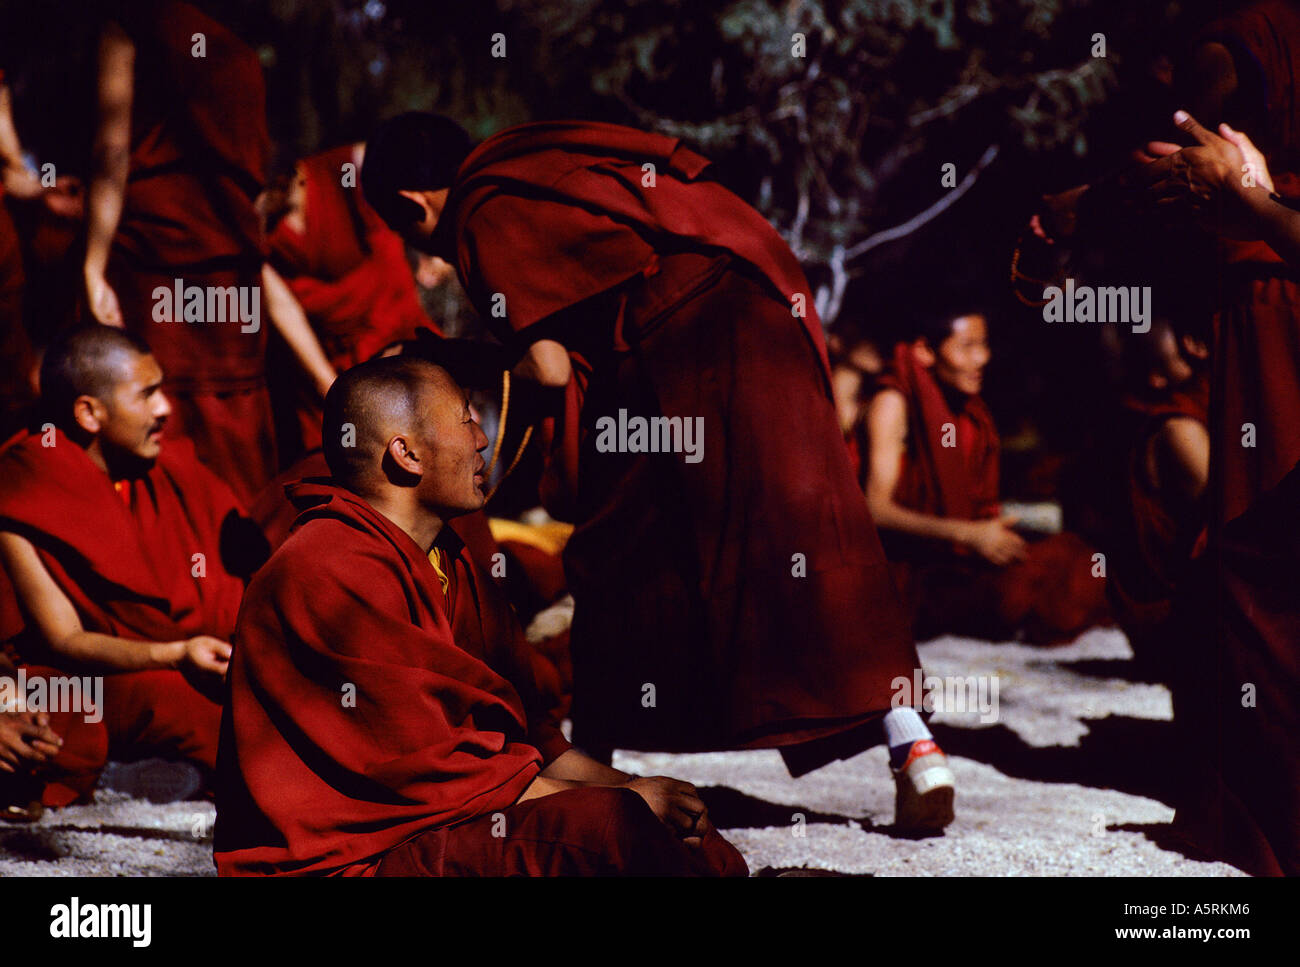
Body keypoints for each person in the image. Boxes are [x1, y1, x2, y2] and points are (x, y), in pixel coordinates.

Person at [359, 114, 953, 832]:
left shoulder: (483, 211)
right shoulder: (532, 162)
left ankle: (591, 758)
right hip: (764, 311)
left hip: (682, 341)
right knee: (814, 532)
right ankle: (916, 747)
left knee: (614, 548)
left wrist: (453, 362)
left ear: (411, 205)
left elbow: (546, 368)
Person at [214, 356, 747, 876]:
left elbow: (530, 735)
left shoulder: (451, 557)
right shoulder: (323, 567)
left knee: (677, 829)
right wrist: (624, 799)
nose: (482, 439)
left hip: (440, 826)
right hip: (354, 858)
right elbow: (428, 770)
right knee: (610, 828)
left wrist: (634, 784)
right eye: (467, 419)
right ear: (407, 454)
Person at [0, 326, 264, 808]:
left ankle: (140, 771)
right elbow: (64, 640)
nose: (165, 409)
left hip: (182, 661)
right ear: (88, 413)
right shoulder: (27, 485)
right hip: (86, 674)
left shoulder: (168, 471)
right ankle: (114, 774)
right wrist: (177, 654)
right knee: (176, 710)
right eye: (146, 395)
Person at [82, 0, 335, 504]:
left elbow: (112, 151)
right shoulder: (241, 53)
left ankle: (159, 559)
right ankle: (236, 558)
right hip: (233, 264)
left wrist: (91, 262)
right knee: (233, 417)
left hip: (155, 253)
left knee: (149, 402)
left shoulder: (132, 20)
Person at [863, 310, 1110, 645]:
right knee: (1036, 580)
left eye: (984, 345)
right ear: (925, 351)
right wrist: (968, 534)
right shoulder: (892, 401)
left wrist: (985, 535)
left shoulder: (963, 403)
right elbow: (874, 510)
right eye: (966, 347)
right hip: (908, 573)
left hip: (961, 557)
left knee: (1077, 554)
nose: (982, 358)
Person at [263, 142, 433, 464]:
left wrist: (433, 250)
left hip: (392, 328)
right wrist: (327, 382)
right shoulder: (260, 222)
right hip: (329, 354)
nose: (261, 204)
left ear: (292, 174)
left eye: (268, 191)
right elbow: (280, 303)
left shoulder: (345, 169)